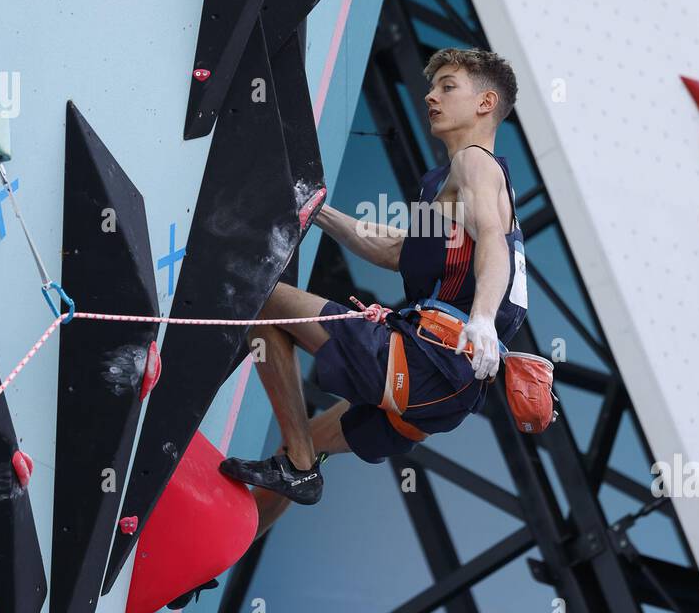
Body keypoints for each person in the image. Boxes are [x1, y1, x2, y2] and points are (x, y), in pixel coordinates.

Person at [219, 48, 528, 535]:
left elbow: (494, 243)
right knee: (301, 447)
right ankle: (223, 550)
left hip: (432, 362)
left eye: (448, 86)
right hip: (444, 392)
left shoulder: (475, 163)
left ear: (486, 102)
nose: (431, 96)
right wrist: (315, 210)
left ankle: (299, 464)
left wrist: (483, 318)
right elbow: (394, 249)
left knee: (260, 298)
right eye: (432, 87)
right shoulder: (451, 183)